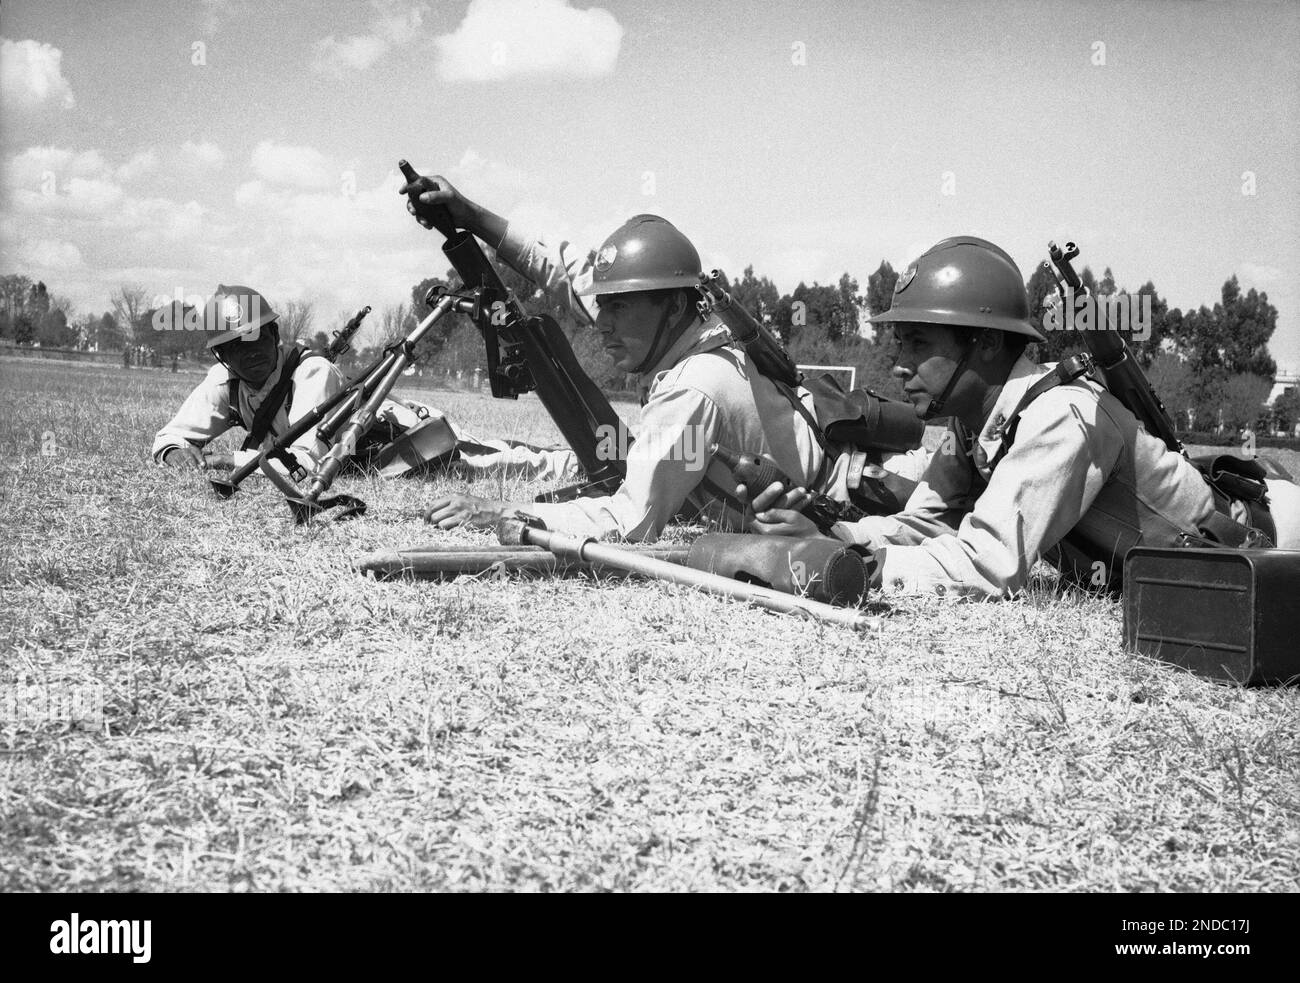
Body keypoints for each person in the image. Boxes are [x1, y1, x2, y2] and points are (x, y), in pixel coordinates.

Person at [743, 236, 1300, 597]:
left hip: (1275, 544)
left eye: (917, 342)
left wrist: (863, 566)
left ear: (985, 344)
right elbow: (925, 526)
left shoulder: (1059, 414)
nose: (899, 364)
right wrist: (831, 532)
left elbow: (991, 562)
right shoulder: (973, 423)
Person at [399, 172, 928, 541]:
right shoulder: (684, 323)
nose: (601, 323)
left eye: (618, 309)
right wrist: (470, 214)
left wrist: (501, 511)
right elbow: (569, 275)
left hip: (854, 509)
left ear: (673, 306)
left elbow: (633, 519)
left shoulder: (693, 387)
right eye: (604, 306)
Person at [152, 283, 582, 481]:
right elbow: (171, 437)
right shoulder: (223, 384)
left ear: (274, 334)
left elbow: (302, 460)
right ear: (222, 356)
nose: (252, 352)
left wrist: (232, 461)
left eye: (258, 338)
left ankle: (584, 461)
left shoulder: (310, 371)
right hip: (368, 464)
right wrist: (176, 454)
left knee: (502, 462)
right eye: (237, 347)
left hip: (404, 438)